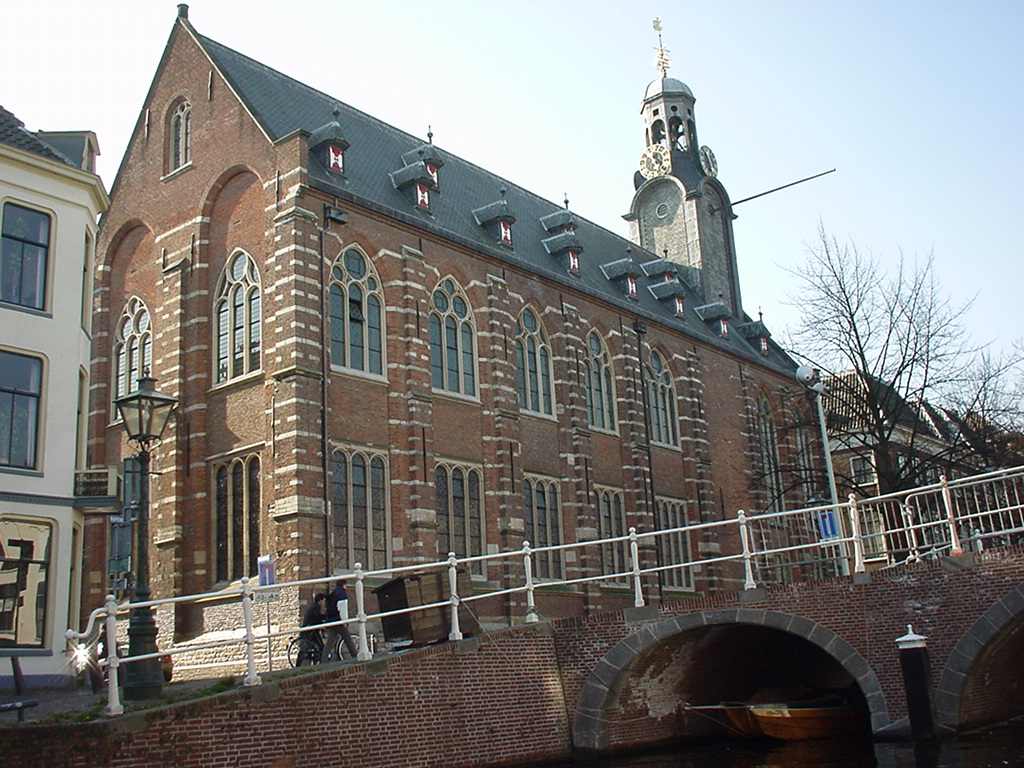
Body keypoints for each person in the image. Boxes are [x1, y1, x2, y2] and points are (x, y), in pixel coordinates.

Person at [322, 579, 358, 662]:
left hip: (331, 620)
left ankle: (323, 660)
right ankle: (355, 656)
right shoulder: (342, 594)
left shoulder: (333, 593)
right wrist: (345, 621)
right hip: (338, 620)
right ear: (344, 584)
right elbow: (343, 608)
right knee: (347, 638)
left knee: (330, 642)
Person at [297, 592, 326, 666]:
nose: (324, 603)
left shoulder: (314, 606)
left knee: (313, 647)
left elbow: (318, 617)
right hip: (311, 631)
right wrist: (323, 624)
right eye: (323, 601)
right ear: (320, 600)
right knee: (320, 646)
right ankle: (319, 662)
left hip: (310, 629)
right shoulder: (316, 607)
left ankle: (316, 661)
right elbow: (317, 618)